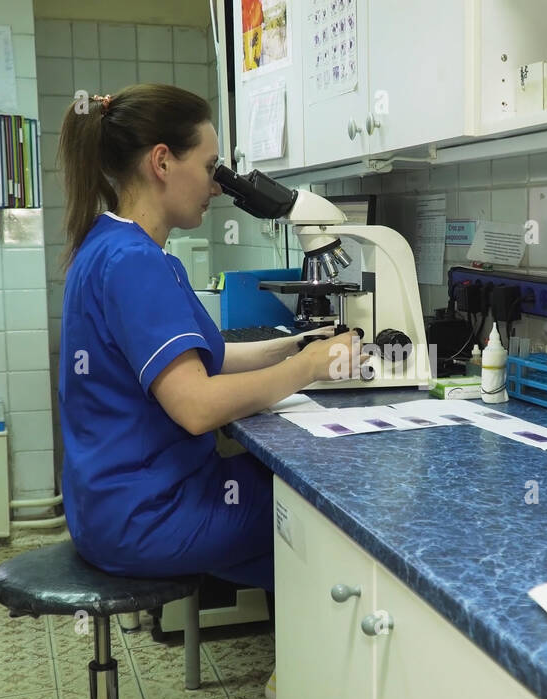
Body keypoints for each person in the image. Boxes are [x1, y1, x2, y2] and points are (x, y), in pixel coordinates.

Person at [56, 83, 364, 591]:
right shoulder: (135, 262)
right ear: (162, 162)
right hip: (149, 515)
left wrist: (297, 346)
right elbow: (196, 405)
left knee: (292, 531)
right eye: (209, 166)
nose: (217, 186)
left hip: (111, 505)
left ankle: (302, 653)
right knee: (329, 501)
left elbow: (205, 360)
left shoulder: (111, 243)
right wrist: (307, 370)